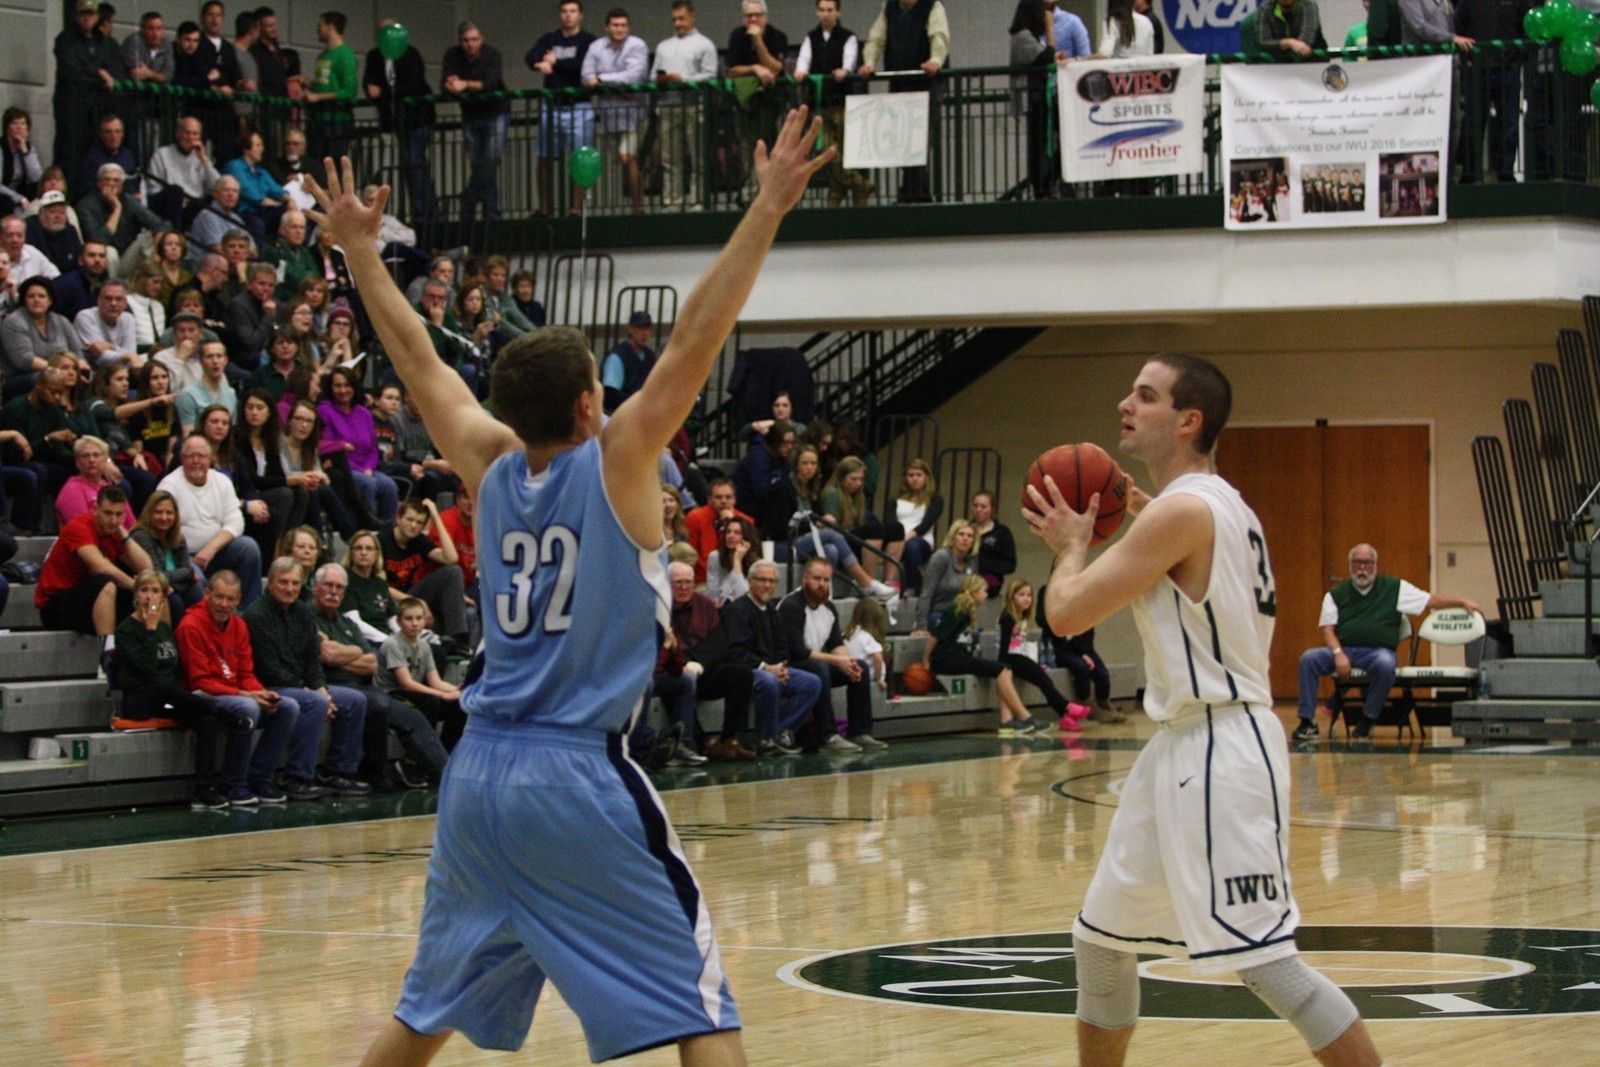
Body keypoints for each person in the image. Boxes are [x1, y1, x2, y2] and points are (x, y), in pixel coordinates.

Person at [311, 106, 832, 1065]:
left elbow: (418, 357)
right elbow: (694, 342)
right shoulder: (619, 462)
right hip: (576, 774)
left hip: (477, 778)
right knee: (698, 1002)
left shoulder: (487, 462)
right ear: (593, 403)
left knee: (426, 1010)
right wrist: (768, 205)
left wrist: (356, 249)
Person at [1027, 353, 1385, 1066]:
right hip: (1182, 742)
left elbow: (1064, 614)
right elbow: (1177, 545)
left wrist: (1071, 547)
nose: (1126, 402)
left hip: (1224, 748)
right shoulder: (1219, 502)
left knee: (1266, 962)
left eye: (1146, 394)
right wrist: (1132, 508)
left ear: (1188, 419)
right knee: (1101, 943)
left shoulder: (1184, 512)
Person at [1293, 542, 1479, 741]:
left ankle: (1367, 721)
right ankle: (1307, 722)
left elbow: (1429, 601)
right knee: (1309, 658)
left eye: (1367, 563)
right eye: (1357, 563)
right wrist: (1338, 654)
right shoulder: (1335, 594)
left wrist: (1460, 601)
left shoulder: (1394, 588)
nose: (1362, 569)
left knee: (1386, 663)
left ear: (1375, 566)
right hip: (1344, 650)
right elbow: (1328, 631)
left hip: (1376, 653)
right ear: (1350, 566)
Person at [114, 568, 253, 810]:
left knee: (205, 720)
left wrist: (156, 628)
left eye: (155, 591)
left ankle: (203, 790)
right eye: (144, 590)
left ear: (162, 597)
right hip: (139, 700)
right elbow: (146, 671)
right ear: (136, 595)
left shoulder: (165, 629)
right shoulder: (126, 630)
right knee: (163, 686)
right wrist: (148, 629)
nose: (150, 596)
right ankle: (222, 712)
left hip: (167, 698)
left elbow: (173, 669)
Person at [312, 562, 450, 789]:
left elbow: (373, 664)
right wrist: (354, 653)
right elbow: (326, 654)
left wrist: (344, 654)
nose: (334, 592)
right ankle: (372, 772)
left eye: (339, 587)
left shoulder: (346, 623)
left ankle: (444, 774)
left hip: (363, 684)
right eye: (329, 585)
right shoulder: (307, 617)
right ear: (315, 587)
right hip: (328, 684)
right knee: (378, 704)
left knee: (412, 716)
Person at [242, 556, 370, 798]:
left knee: (355, 700)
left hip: (301, 686)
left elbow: (313, 659)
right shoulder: (256, 615)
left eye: (295, 583)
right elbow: (268, 668)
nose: (289, 588)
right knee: (315, 703)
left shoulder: (302, 612)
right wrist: (312, 692)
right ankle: (296, 777)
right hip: (268, 686)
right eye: (283, 582)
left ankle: (338, 772)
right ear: (270, 583)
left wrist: (320, 688)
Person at [175, 569, 294, 806]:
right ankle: (233, 784)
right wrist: (248, 695)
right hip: (201, 695)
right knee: (247, 707)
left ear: (238, 600)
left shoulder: (239, 626)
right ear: (206, 594)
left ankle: (259, 778)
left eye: (230, 599)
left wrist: (261, 693)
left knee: (286, 706)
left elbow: (246, 674)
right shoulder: (191, 625)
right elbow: (200, 682)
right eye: (219, 597)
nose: (223, 604)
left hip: (235, 692)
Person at [720, 558, 825, 756]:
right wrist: (766, 668)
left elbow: (782, 646)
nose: (767, 585)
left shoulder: (772, 610)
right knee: (768, 681)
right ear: (750, 581)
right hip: (748, 671)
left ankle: (779, 732)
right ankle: (765, 738)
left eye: (772, 581)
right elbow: (735, 652)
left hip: (773, 669)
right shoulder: (737, 610)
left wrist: (781, 667)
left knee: (811, 682)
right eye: (762, 580)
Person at [778, 557, 885, 749]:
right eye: (816, 579)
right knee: (820, 668)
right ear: (804, 578)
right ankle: (828, 734)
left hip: (815, 663)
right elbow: (799, 652)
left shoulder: (829, 608)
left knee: (859, 666)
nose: (821, 585)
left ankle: (860, 732)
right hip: (788, 667)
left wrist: (848, 662)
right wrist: (837, 660)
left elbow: (836, 643)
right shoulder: (791, 606)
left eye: (826, 580)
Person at [921, 573, 1043, 733]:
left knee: (1004, 668)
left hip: (958, 657)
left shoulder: (967, 610)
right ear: (974, 592)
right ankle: (1024, 716)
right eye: (984, 591)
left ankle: (1007, 720)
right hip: (946, 659)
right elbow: (935, 636)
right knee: (1001, 669)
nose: (987, 594)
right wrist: (926, 660)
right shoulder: (956, 610)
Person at [859, 0, 950, 203]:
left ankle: (914, 193)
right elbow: (876, 38)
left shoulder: (932, 6)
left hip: (926, 84)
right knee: (902, 140)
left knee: (920, 141)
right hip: (900, 84)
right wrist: (869, 62)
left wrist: (935, 60)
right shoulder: (889, 7)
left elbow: (939, 36)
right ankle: (915, 192)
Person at [156, 431, 263, 604]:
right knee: (195, 579)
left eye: (201, 456)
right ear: (182, 459)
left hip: (217, 552)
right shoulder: (168, 487)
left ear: (211, 458)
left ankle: (247, 613)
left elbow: (236, 522)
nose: (196, 461)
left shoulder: (222, 481)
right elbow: (161, 530)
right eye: (190, 456)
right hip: (183, 557)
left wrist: (211, 548)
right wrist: (189, 557)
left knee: (248, 548)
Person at [36, 484, 152, 638]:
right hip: (56, 605)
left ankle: (149, 648)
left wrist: (124, 535)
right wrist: (138, 587)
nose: (113, 520)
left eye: (119, 515)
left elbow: (147, 569)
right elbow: (101, 567)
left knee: (156, 592)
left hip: (88, 603)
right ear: (96, 510)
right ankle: (107, 652)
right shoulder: (79, 526)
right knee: (106, 583)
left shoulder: (114, 532)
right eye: (108, 513)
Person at [795, 0, 873, 208]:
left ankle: (837, 190)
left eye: (830, 10)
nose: (825, 14)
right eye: (821, 10)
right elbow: (804, 59)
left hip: (840, 102)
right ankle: (859, 183)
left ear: (838, 12)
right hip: (820, 103)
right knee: (829, 152)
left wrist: (845, 71)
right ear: (816, 12)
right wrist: (801, 71)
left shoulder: (848, 37)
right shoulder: (811, 37)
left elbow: (849, 61)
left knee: (843, 150)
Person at [527, 0, 598, 217]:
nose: (568, 16)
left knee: (580, 158)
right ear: (560, 15)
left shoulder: (588, 41)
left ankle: (576, 207)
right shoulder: (550, 38)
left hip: (579, 106)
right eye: (564, 11)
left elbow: (581, 69)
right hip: (553, 106)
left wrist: (555, 62)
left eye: (573, 11)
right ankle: (545, 207)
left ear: (580, 15)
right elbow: (530, 57)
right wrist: (541, 64)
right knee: (544, 157)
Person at [365, 17, 437, 222]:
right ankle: (424, 209)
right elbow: (369, 85)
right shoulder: (374, 56)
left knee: (414, 161)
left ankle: (424, 211)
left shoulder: (410, 54)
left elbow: (413, 86)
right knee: (411, 164)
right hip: (397, 120)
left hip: (418, 117)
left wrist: (384, 92)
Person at [380, 496, 470, 656]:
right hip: (391, 599)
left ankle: (459, 638)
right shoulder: (382, 540)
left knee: (452, 571)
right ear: (398, 518)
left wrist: (436, 517)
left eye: (419, 522)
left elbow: (451, 558)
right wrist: (413, 601)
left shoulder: (419, 541)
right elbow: (380, 586)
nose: (414, 526)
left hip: (414, 593)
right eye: (410, 520)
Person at [652, 1, 719, 210]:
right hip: (668, 106)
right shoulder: (663, 46)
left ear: (692, 17)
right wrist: (661, 79)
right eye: (674, 19)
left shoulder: (705, 44)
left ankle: (697, 200)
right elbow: (651, 75)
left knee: (698, 156)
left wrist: (684, 79)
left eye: (681, 18)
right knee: (669, 158)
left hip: (694, 105)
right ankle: (673, 201)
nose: (677, 23)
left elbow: (710, 75)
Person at [582, 9, 649, 214]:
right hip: (609, 115)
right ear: (607, 27)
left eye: (623, 25)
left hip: (633, 114)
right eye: (615, 25)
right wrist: (618, 89)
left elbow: (633, 77)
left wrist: (602, 80)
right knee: (620, 161)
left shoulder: (637, 45)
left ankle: (639, 205)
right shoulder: (595, 47)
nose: (619, 29)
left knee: (627, 157)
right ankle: (629, 203)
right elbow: (586, 77)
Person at [442, 22, 509, 222]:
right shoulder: (452, 55)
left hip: (496, 112)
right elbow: (444, 85)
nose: (470, 44)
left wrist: (465, 84)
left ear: (481, 40)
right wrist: (452, 85)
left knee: (490, 159)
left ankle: (469, 199)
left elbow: (491, 83)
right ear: (459, 42)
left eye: (474, 40)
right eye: (465, 41)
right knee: (479, 163)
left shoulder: (492, 54)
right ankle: (491, 212)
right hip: (470, 115)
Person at [998, 577, 1086, 728]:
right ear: (1012, 597)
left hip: (1018, 657)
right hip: (1011, 658)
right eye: (1021, 595)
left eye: (1029, 595)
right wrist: (1004, 667)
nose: (1026, 599)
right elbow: (1004, 647)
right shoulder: (1008, 617)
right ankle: (1066, 707)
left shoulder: (1022, 617)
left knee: (1044, 680)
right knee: (1043, 680)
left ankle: (1064, 714)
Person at [53, 0, 119, 193]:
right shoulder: (65, 39)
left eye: (91, 14)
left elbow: (111, 67)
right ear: (76, 16)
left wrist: (101, 73)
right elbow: (70, 68)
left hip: (96, 107)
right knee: (69, 151)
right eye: (83, 14)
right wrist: (98, 72)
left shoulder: (103, 41)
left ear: (97, 17)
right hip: (71, 106)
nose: (87, 17)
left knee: (94, 149)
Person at [727, 0, 790, 199]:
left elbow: (776, 68)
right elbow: (733, 69)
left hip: (772, 103)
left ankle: (762, 194)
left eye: (757, 15)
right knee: (749, 149)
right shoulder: (737, 36)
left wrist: (758, 42)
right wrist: (754, 69)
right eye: (749, 16)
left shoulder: (777, 36)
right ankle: (752, 193)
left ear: (766, 16)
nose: (753, 19)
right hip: (746, 104)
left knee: (771, 146)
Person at [319, 365, 398, 522]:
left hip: (367, 468)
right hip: (344, 469)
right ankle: (364, 530)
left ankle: (388, 532)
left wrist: (368, 468)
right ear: (331, 388)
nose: (343, 390)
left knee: (389, 485)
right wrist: (362, 471)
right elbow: (331, 448)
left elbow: (373, 449)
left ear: (354, 387)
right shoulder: (324, 411)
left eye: (347, 385)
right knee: (367, 484)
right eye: (338, 385)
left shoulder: (364, 413)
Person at [820, 455, 903, 583]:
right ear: (841, 478)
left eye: (860, 479)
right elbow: (833, 529)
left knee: (896, 528)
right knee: (874, 529)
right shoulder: (832, 494)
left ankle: (890, 582)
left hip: (854, 535)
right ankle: (869, 581)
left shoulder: (859, 496)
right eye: (853, 479)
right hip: (841, 539)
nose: (857, 484)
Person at [146, 116, 221, 230]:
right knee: (176, 191)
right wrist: (179, 199)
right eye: (187, 133)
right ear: (178, 134)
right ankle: (174, 235)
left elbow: (217, 186)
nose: (190, 137)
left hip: (193, 205)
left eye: (195, 134)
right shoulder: (162, 154)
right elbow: (153, 188)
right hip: (169, 203)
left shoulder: (200, 157)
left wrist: (204, 160)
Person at [78, 165, 164, 264]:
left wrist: (157, 251)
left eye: (116, 181)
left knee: (149, 238)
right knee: (110, 252)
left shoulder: (128, 200)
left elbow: (159, 224)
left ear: (122, 185)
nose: (111, 184)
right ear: (99, 183)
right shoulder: (86, 205)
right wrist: (117, 208)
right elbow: (99, 241)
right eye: (107, 180)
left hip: (127, 256)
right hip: (101, 260)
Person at [131, 489, 199, 606]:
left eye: (169, 513)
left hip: (174, 588)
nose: (164, 517)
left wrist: (185, 577)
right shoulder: (141, 536)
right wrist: (185, 576)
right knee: (173, 600)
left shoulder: (178, 537)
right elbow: (156, 576)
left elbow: (187, 570)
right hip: (153, 593)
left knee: (196, 592)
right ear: (149, 513)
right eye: (158, 512)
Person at [684, 476, 756, 583]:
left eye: (728, 497)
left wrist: (732, 523)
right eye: (718, 497)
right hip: (703, 580)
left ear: (734, 499)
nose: (723, 501)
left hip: (738, 575)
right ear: (709, 500)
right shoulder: (695, 517)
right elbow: (690, 555)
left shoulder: (746, 521)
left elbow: (748, 556)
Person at [912, 517, 976, 634]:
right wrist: (921, 626)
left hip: (959, 616)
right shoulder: (941, 557)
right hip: (937, 613)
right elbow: (926, 592)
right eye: (961, 534)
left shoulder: (972, 561)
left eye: (969, 536)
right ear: (953, 537)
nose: (965, 538)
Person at [893, 458, 942, 593]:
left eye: (918, 475)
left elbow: (926, 524)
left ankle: (912, 587)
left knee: (912, 545)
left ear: (926, 477)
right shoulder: (895, 499)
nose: (914, 479)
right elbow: (890, 523)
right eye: (911, 475)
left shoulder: (935, 499)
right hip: (897, 541)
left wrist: (907, 538)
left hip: (921, 542)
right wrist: (899, 539)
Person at [73, 277, 139, 370]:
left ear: (125, 303)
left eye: (118, 299)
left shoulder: (128, 319)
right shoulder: (85, 317)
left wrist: (110, 347)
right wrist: (127, 356)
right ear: (99, 300)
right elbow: (102, 357)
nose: (113, 303)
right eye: (108, 298)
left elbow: (132, 354)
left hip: (123, 373)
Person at [601, 309, 655, 414]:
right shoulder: (617, 357)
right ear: (630, 329)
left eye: (647, 328)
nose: (644, 333)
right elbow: (611, 395)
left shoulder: (650, 356)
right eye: (640, 328)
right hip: (620, 414)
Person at [704, 515, 757, 606]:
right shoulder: (715, 557)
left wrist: (737, 560)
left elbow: (743, 595)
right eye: (728, 532)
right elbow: (713, 595)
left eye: (737, 533)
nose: (730, 536)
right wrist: (737, 562)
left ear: (746, 538)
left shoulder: (754, 563)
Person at [971, 489, 1016, 594]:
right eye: (975, 505)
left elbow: (1010, 565)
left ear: (992, 509)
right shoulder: (965, 529)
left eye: (983, 506)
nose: (978, 510)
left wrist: (981, 562)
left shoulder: (1002, 532)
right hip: (965, 580)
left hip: (990, 583)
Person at [0, 108, 43, 218]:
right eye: (15, 123)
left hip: (21, 193)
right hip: (5, 195)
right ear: (7, 127)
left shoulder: (28, 147)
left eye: (23, 124)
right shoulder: (1, 148)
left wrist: (25, 151)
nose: (19, 127)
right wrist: (18, 198)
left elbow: (36, 178)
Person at [1258, 0, 1324, 56]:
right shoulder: (1265, 9)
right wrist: (1289, 43)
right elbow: (1263, 42)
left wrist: (1279, 45)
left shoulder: (1309, 5)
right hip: (1277, 64)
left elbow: (1305, 43)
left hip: (1313, 61)